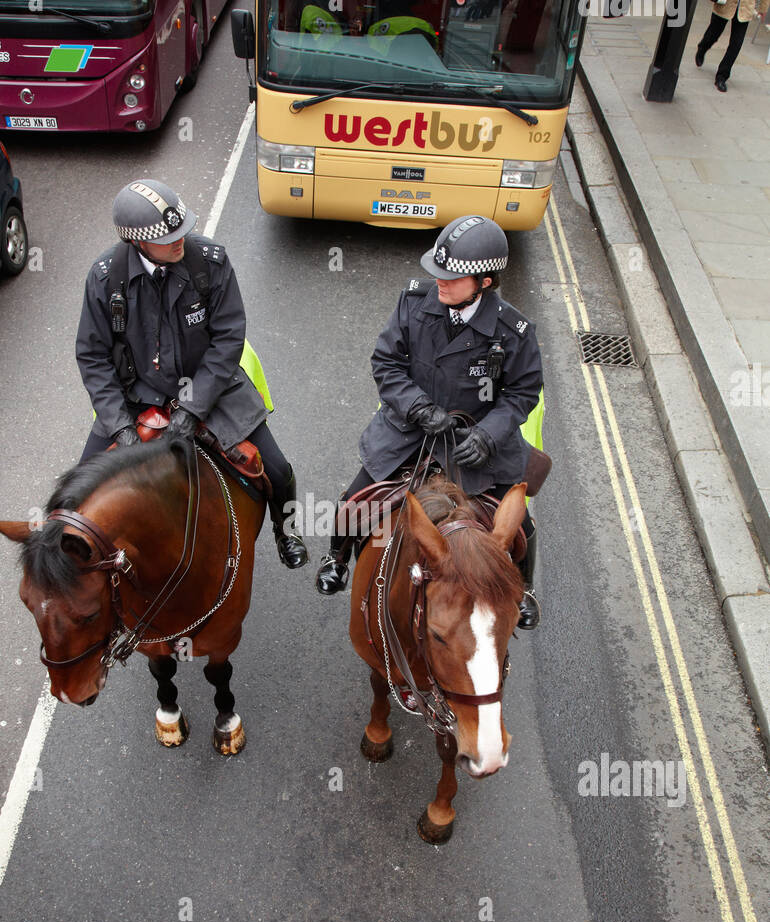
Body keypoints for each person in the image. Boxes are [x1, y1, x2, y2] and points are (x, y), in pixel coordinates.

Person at [315, 216, 544, 629]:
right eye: (437, 272)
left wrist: (489, 436)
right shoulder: (414, 301)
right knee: (352, 501)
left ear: (485, 282)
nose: (440, 282)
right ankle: (336, 556)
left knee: (522, 525)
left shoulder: (514, 332)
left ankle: (524, 588)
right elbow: (386, 362)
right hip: (411, 430)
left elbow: (523, 393)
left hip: (473, 442)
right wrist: (418, 407)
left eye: (452, 277)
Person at [75, 179, 308, 569]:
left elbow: (229, 340)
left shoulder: (210, 263)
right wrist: (121, 430)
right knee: (78, 495)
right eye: (169, 236)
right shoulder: (103, 279)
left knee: (279, 470)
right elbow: (93, 357)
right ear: (137, 242)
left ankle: (285, 530)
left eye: (182, 229)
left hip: (212, 390)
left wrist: (191, 410)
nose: (180, 240)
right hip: (137, 398)